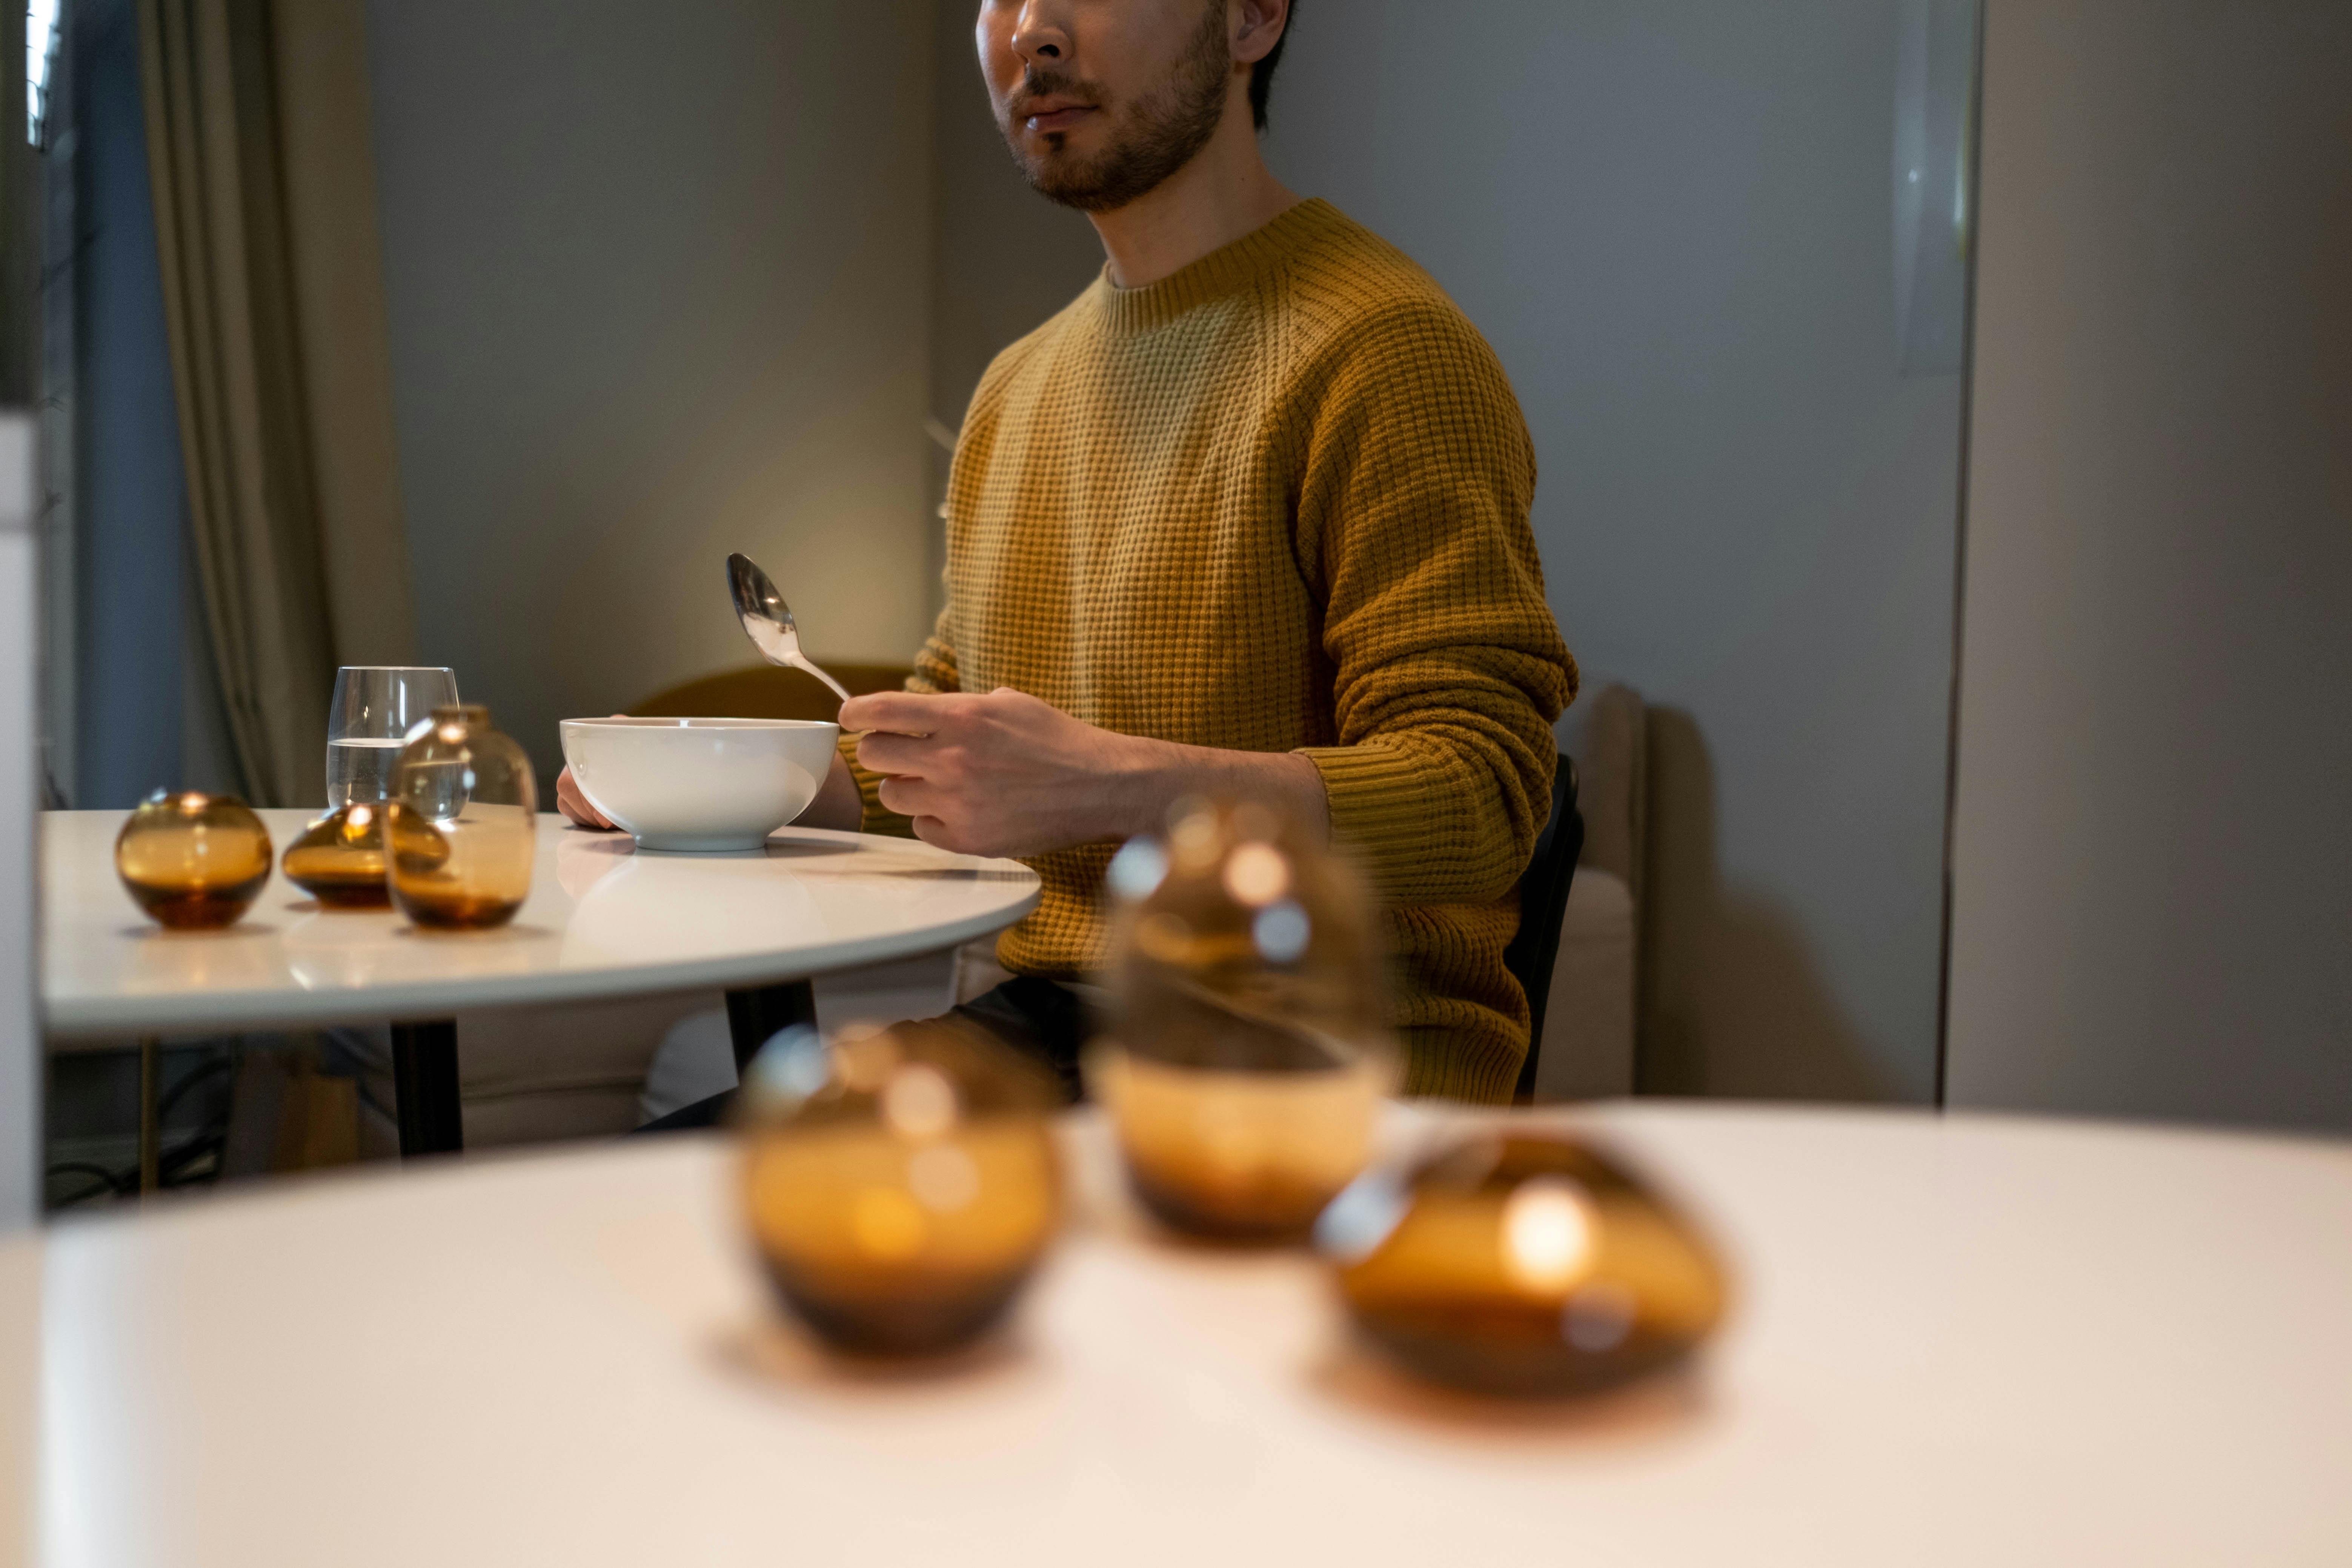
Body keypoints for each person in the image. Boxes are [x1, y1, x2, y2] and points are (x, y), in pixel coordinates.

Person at [562, 0, 1575, 1107]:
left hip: (1313, 1068)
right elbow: (945, 736)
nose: (1032, 33)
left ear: (1250, 19)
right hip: (1051, 1033)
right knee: (627, 1208)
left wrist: (1105, 786)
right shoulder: (1017, 388)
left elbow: (1484, 795)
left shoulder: (1384, 351)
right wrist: (708, 780)